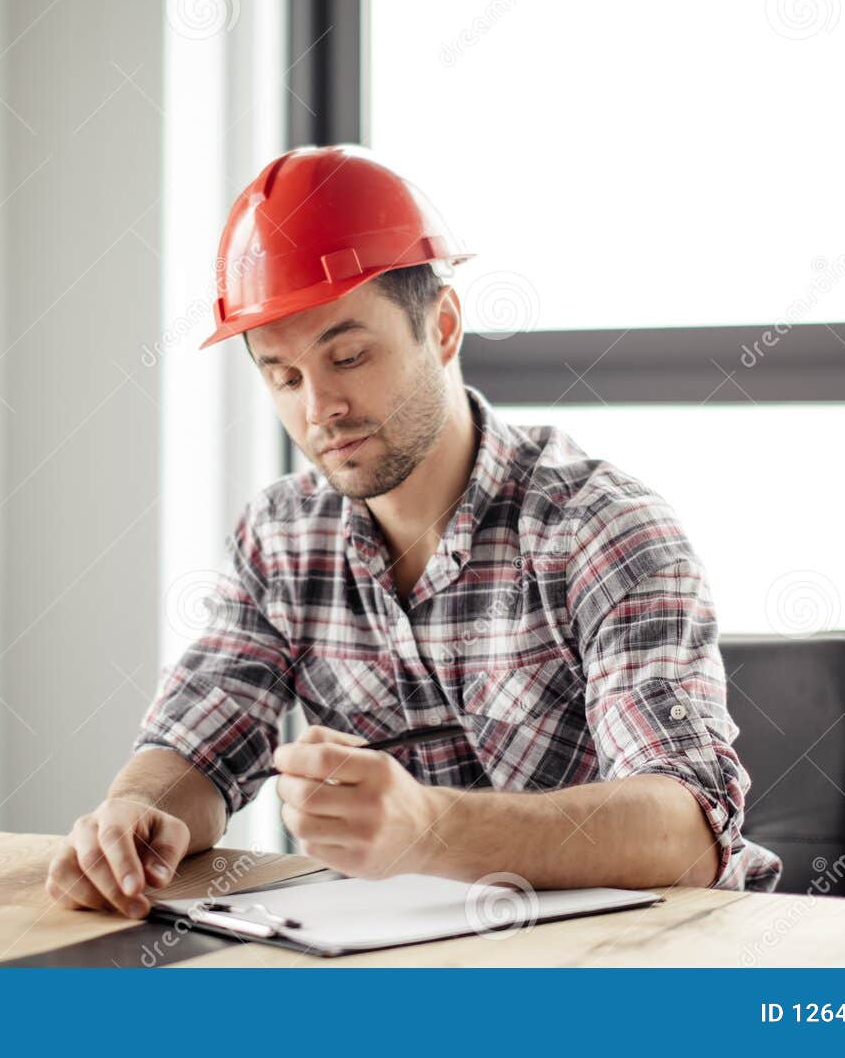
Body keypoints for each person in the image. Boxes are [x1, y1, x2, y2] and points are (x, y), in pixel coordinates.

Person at [45, 145, 781, 919]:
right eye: (283, 377)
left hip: (629, 970)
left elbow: (691, 832)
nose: (319, 407)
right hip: (396, 966)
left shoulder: (599, 527)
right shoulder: (283, 539)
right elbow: (197, 744)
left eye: (350, 355)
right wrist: (135, 811)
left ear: (444, 325)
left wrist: (428, 828)